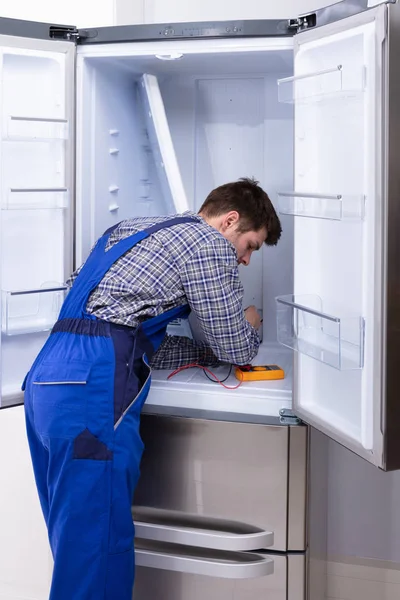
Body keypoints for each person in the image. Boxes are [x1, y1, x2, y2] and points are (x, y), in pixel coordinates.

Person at [23, 177, 282, 600]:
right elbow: (235, 344)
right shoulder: (207, 243)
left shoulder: (128, 229)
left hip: (47, 379)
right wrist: (252, 323)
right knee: (98, 549)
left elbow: (120, 329)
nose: (247, 259)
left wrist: (199, 352)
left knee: (75, 544)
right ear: (230, 220)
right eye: (250, 245)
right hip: (94, 388)